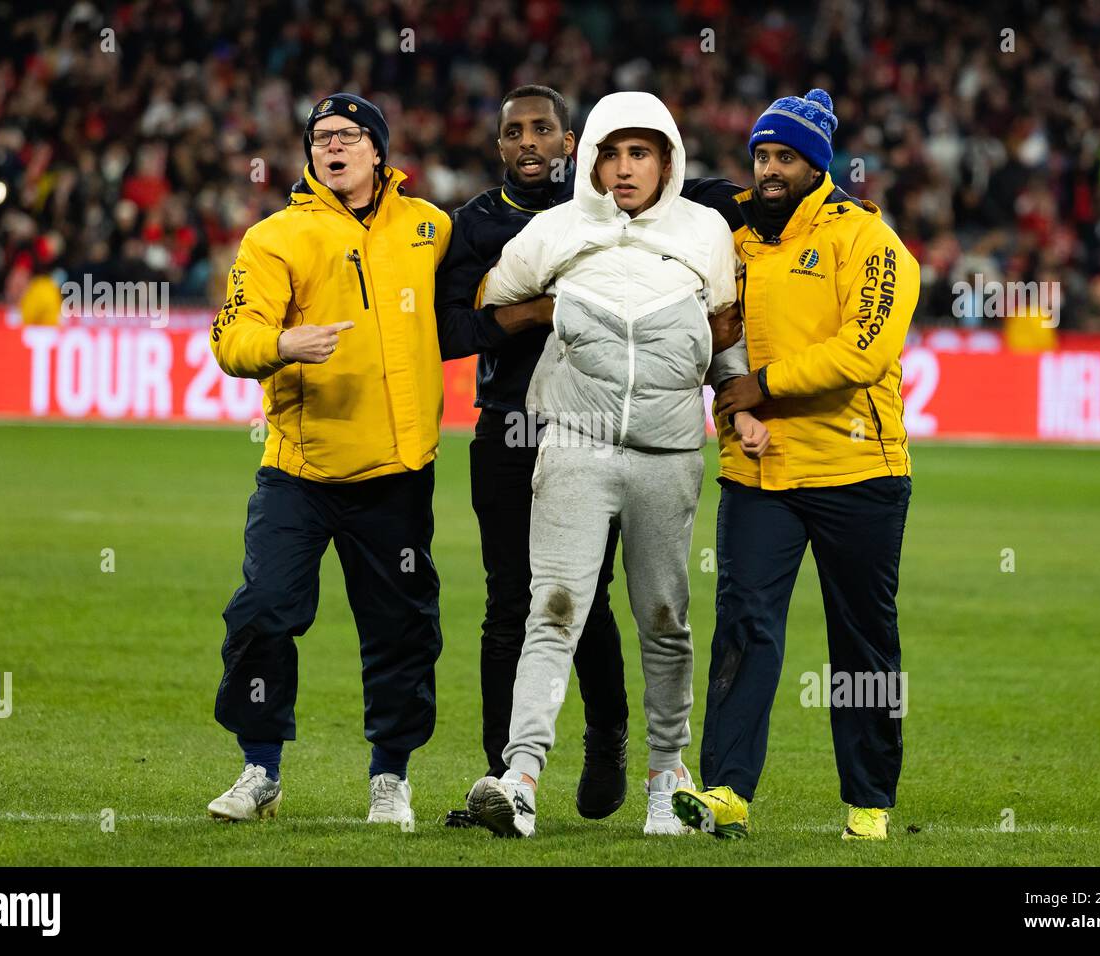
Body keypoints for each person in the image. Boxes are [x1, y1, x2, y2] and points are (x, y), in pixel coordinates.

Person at [435, 86, 749, 828]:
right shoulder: (551, 230)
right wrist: (546, 310)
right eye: (611, 152)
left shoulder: (707, 230)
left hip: (669, 451)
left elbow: (722, 331)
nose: (624, 166)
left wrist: (738, 398)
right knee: (549, 606)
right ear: (593, 159)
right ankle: (518, 779)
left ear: (666, 159)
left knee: (664, 616)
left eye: (640, 152)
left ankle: (666, 777)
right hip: (568, 442)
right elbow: (488, 308)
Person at [670, 89, 919, 841]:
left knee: (863, 640)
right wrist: (735, 403)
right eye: (762, 156)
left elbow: (863, 351)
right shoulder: (734, 239)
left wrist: (764, 387)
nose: (770, 170)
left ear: (818, 164)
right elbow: (714, 340)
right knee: (744, 627)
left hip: (858, 469)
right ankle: (725, 793)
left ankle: (869, 802)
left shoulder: (867, 239)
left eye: (786, 157)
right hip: (760, 472)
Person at [206, 94, 451, 829]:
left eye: (347, 135)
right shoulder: (275, 238)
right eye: (320, 137)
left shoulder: (432, 228)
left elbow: (479, 304)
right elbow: (232, 336)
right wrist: (282, 345)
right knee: (263, 613)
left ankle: (390, 777)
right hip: (299, 472)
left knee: (402, 629)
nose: (331, 147)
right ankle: (260, 768)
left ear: (379, 150)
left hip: (397, 475)